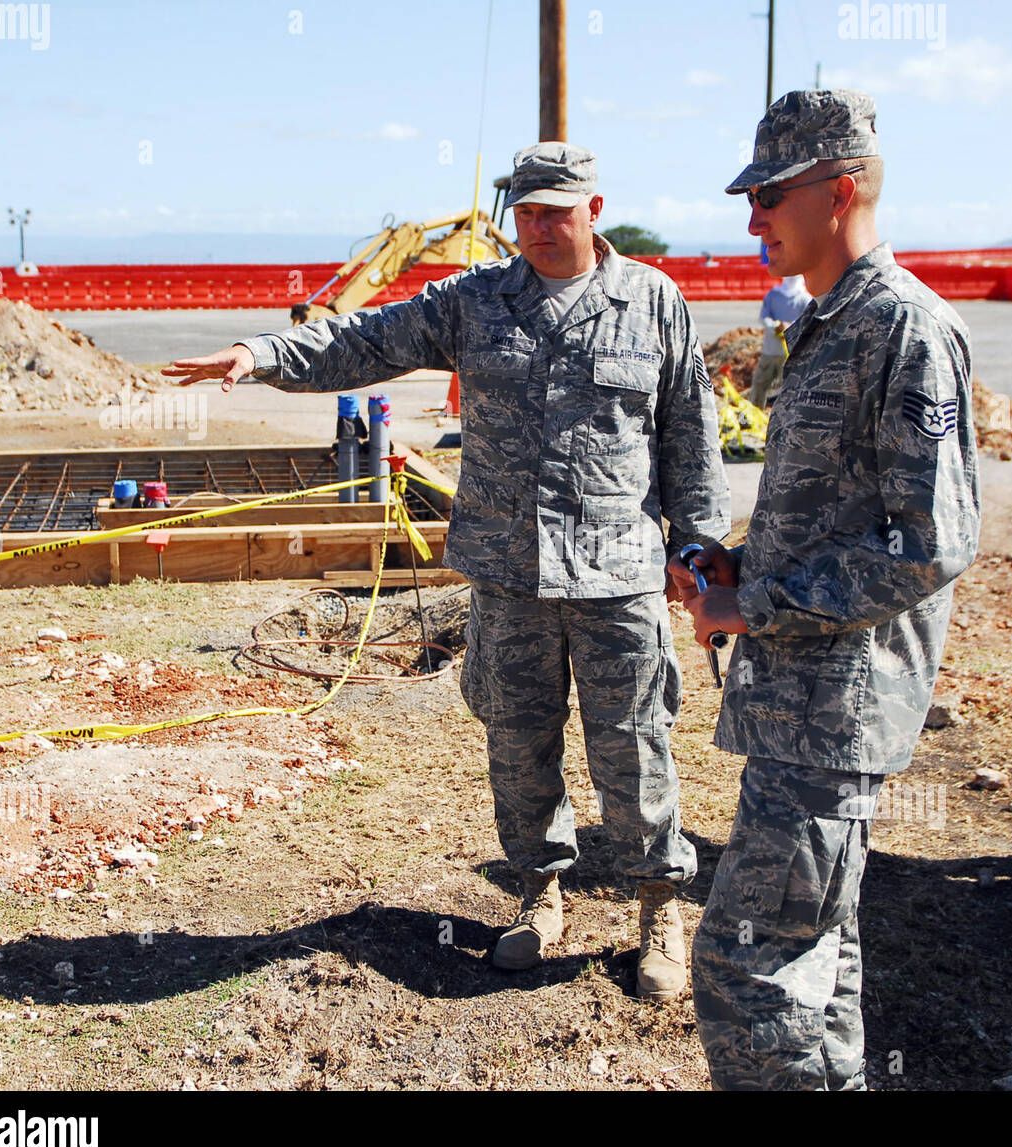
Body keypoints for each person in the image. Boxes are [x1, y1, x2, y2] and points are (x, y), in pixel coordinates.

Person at [164, 143, 730, 998]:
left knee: (636, 748)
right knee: (516, 741)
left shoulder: (652, 302)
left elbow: (691, 434)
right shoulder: (476, 300)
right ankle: (539, 896)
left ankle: (660, 909)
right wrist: (261, 355)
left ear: (595, 209)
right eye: (526, 211)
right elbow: (364, 338)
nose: (538, 226)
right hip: (508, 577)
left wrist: (700, 551)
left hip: (618, 576)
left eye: (556, 210)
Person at [669, 89, 980, 1089]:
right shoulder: (830, 322)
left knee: (743, 968)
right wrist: (742, 568)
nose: (751, 217)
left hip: (835, 713)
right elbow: (840, 515)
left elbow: (929, 544)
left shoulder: (905, 330)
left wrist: (749, 607)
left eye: (768, 194)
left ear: (839, 189)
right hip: (800, 707)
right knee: (817, 957)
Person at [749, 274, 811, 408]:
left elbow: (808, 321)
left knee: (789, 387)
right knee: (760, 383)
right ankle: (754, 413)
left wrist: (789, 327)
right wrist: (776, 326)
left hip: (793, 352)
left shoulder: (804, 298)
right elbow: (764, 318)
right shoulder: (773, 295)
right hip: (771, 350)